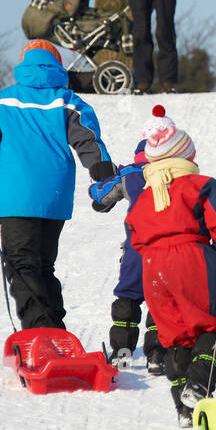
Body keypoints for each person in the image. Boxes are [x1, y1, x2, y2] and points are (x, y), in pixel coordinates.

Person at [0, 40, 115, 329]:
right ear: (57, 66)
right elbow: (87, 137)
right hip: (54, 197)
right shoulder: (68, 100)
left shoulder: (1, 101)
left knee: (23, 267)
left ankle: (41, 333)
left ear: (24, 65)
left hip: (14, 198)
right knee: (43, 267)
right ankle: (55, 331)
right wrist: (101, 171)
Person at [124, 108, 216, 426]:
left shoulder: (146, 195)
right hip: (192, 259)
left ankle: (185, 409)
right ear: (185, 158)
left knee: (174, 335)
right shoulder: (199, 184)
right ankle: (199, 384)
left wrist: (155, 252)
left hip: (152, 267)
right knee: (210, 327)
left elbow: (134, 234)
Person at [89, 138, 166, 373]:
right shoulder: (172, 171)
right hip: (166, 249)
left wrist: (98, 182)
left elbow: (101, 194)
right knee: (161, 298)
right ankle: (156, 353)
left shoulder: (129, 173)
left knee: (128, 296)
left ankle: (121, 351)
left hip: (136, 248)